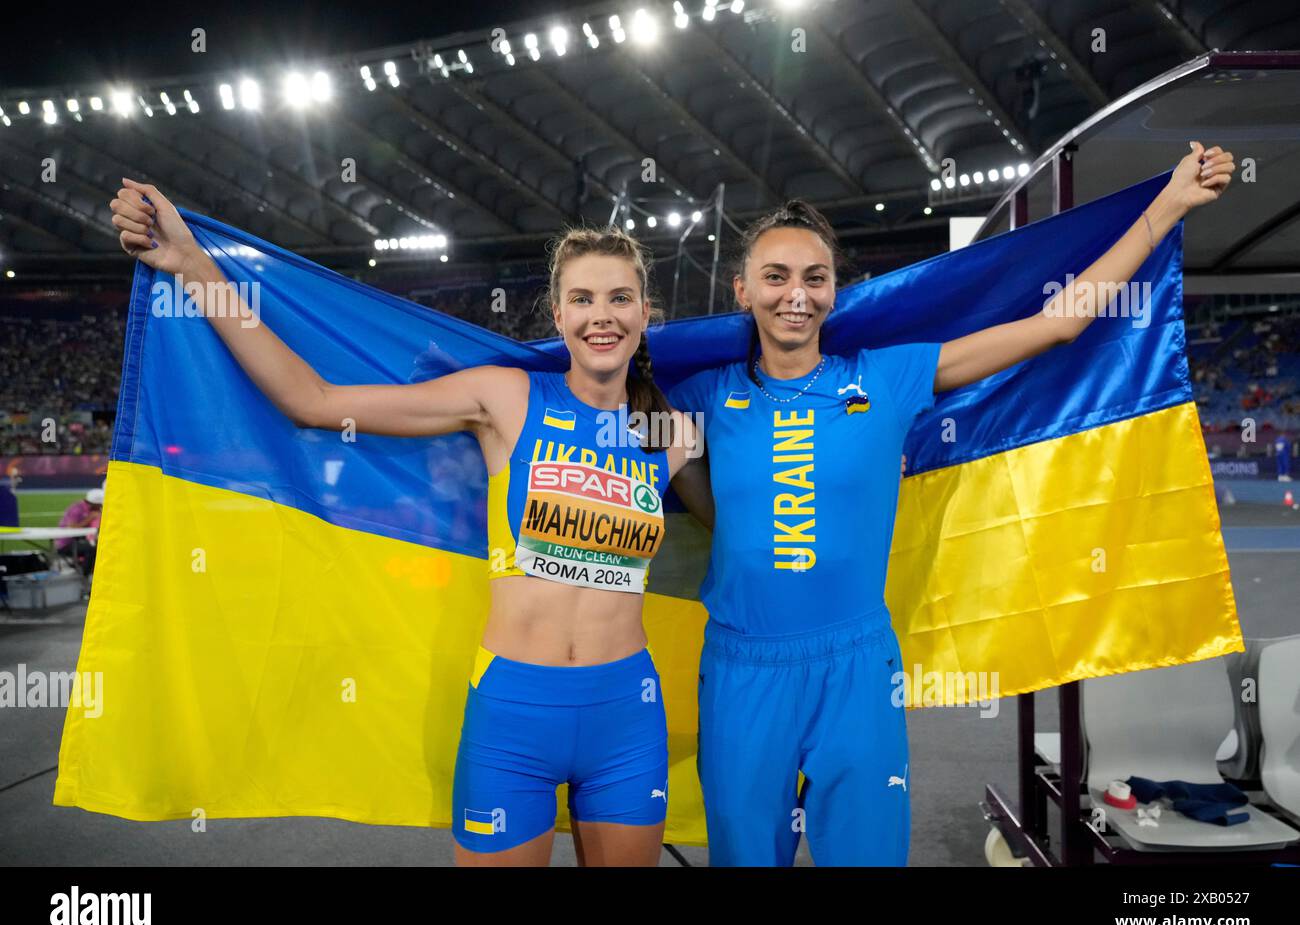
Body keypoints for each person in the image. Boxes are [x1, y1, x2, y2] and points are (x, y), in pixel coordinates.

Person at [669, 142, 1235, 866]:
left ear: (836, 290)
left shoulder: (889, 376)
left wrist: (1167, 208)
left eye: (815, 277)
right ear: (742, 289)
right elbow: (704, 501)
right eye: (775, 277)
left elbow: (1058, 323)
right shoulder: (703, 396)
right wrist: (681, 468)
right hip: (742, 669)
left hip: (856, 668)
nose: (796, 294)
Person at [109, 178, 701, 867]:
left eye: (620, 298)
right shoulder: (504, 399)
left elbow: (750, 521)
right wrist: (194, 268)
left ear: (646, 312)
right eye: (584, 298)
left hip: (626, 715)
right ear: (559, 314)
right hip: (513, 716)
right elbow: (315, 400)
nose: (603, 315)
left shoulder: (671, 431)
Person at [56, 487, 102, 576]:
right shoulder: (77, 509)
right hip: (66, 544)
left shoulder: (89, 509)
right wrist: (90, 518)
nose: (101, 507)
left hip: (78, 540)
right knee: (93, 549)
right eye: (100, 505)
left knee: (98, 546)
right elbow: (71, 527)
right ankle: (84, 574)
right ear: (95, 503)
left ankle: (86, 569)